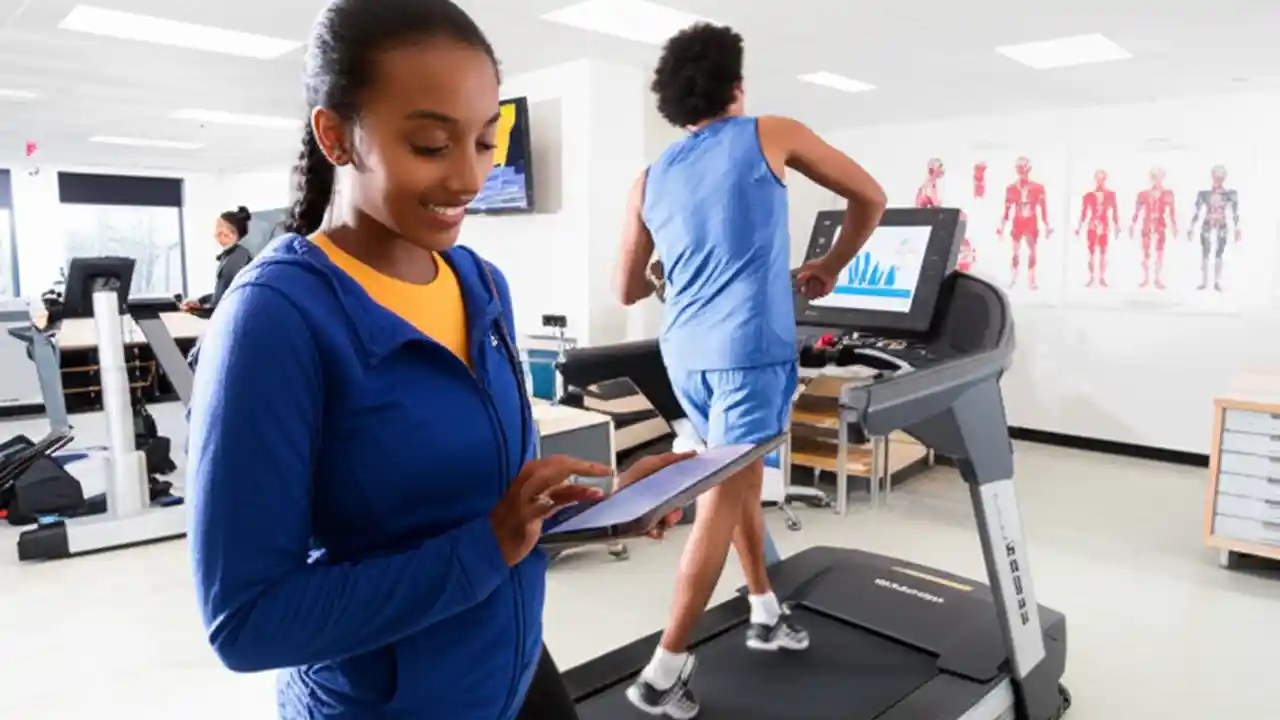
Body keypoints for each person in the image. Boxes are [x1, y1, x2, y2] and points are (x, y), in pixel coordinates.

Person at [186, 2, 685, 718]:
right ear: (335, 135)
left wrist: (610, 511)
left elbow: (493, 503)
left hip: (509, 670)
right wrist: (488, 546)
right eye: (430, 145)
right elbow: (246, 623)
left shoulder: (480, 284)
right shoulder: (275, 320)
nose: (469, 178)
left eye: (485, 142)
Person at [615, 23, 887, 719]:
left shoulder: (651, 177)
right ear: (737, 87)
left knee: (730, 484)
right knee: (720, 496)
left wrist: (662, 266)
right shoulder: (772, 132)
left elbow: (626, 289)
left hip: (685, 356)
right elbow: (871, 198)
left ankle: (765, 606)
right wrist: (829, 266)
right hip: (750, 353)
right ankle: (665, 669)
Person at [181, 206, 253, 315]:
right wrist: (200, 301)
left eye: (219, 230)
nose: (215, 234)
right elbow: (219, 296)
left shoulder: (235, 260)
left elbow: (219, 307)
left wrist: (194, 310)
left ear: (230, 234)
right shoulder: (233, 255)